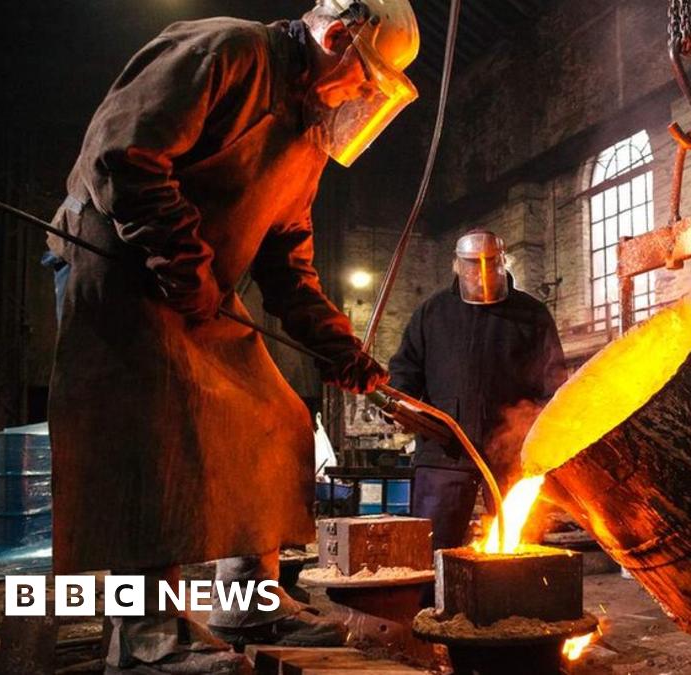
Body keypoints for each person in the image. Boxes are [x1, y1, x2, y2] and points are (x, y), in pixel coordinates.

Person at [46, 1, 418, 672]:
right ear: (337, 35)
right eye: (364, 79)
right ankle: (145, 639)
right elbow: (123, 154)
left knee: (273, 418)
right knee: (152, 438)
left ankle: (247, 601)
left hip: (195, 283)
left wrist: (341, 349)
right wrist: (182, 263)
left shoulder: (307, 135)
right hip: (118, 262)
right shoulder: (226, 53)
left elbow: (287, 265)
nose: (360, 96)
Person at [389, 230, 567, 557]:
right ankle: (433, 593)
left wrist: (541, 435)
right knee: (432, 546)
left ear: (503, 261)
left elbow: (553, 382)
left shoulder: (532, 315)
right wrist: (400, 403)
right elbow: (406, 369)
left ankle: (512, 593)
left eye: (490, 263)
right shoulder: (432, 313)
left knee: (518, 548)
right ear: (457, 265)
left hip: (511, 454)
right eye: (472, 265)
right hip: (445, 450)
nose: (481, 274)